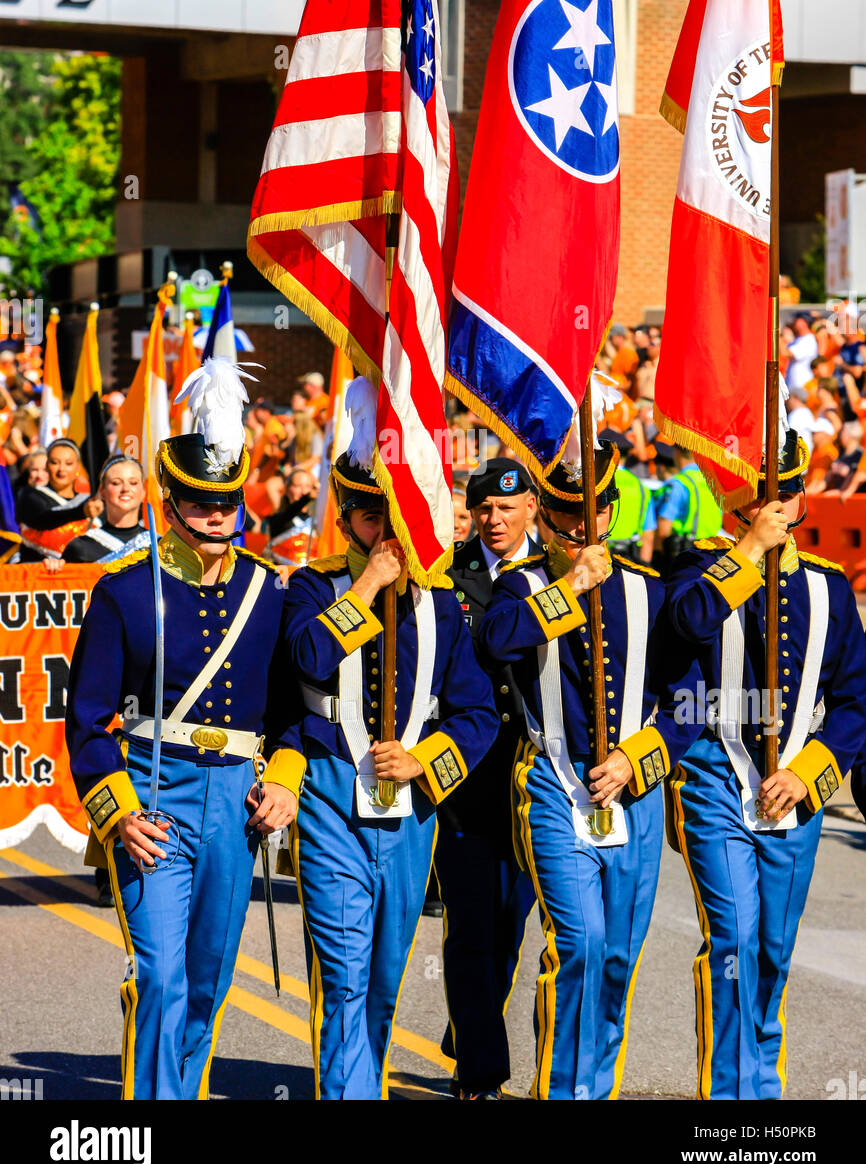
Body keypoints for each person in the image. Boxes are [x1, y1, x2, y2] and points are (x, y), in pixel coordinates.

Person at [64, 359, 299, 1100]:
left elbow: (292, 709)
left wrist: (286, 783)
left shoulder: (267, 592)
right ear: (170, 504)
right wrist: (118, 811)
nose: (217, 516)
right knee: (161, 974)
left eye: (227, 501)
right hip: (154, 793)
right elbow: (86, 720)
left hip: (234, 802)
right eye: (200, 502)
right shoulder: (124, 591)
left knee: (208, 980)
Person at [280, 404, 497, 1100]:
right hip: (329, 786)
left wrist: (428, 759)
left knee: (383, 972)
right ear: (346, 515)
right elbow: (308, 657)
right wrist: (371, 583)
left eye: (394, 517)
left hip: (410, 803)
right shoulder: (315, 584)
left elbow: (476, 712)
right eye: (370, 518)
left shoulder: (440, 602)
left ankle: (359, 1082)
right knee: (342, 966)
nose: (385, 533)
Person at [664, 430, 866, 1099]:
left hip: (794, 788)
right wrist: (749, 553)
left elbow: (855, 702)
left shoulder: (831, 589)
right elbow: (687, 625)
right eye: (758, 496)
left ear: (803, 498)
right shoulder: (699, 571)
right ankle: (732, 1102)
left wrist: (810, 772)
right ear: (736, 500)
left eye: (784, 493)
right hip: (715, 776)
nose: (772, 507)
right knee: (733, 942)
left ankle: (760, 1085)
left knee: (774, 950)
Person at [479, 436, 673, 1100]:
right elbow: (497, 639)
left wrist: (635, 759)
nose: (579, 527)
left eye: (592, 512)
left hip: (634, 793)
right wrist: (571, 587)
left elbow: (687, 699)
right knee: (580, 945)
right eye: (564, 514)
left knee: (617, 957)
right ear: (546, 515)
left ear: (613, 513)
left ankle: (596, 1089)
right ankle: (559, 1091)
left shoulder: (650, 588)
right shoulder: (521, 583)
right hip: (554, 786)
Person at [435, 458, 539, 1099]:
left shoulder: (559, 574)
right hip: (469, 775)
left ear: (532, 506)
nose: (494, 520)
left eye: (506, 508)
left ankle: (468, 1020)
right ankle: (479, 1071)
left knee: (511, 922)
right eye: (482, 510)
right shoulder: (449, 577)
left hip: (538, 780)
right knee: (472, 923)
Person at [16, 437, 100, 560]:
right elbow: (44, 519)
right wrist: (82, 512)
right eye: (55, 462)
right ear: (47, 465)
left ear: (77, 467)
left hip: (81, 574)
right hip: (38, 572)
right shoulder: (30, 495)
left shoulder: (89, 500)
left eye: (69, 463)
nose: (61, 469)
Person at [57, 454, 148, 563]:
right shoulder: (79, 547)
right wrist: (51, 568)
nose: (126, 488)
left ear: (143, 492)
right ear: (102, 492)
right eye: (116, 483)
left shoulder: (160, 546)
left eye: (133, 483)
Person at [654, 443, 722, 570]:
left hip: (684, 553)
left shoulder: (679, 482)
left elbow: (664, 525)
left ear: (677, 453)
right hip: (712, 552)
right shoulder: (713, 481)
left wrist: (659, 556)